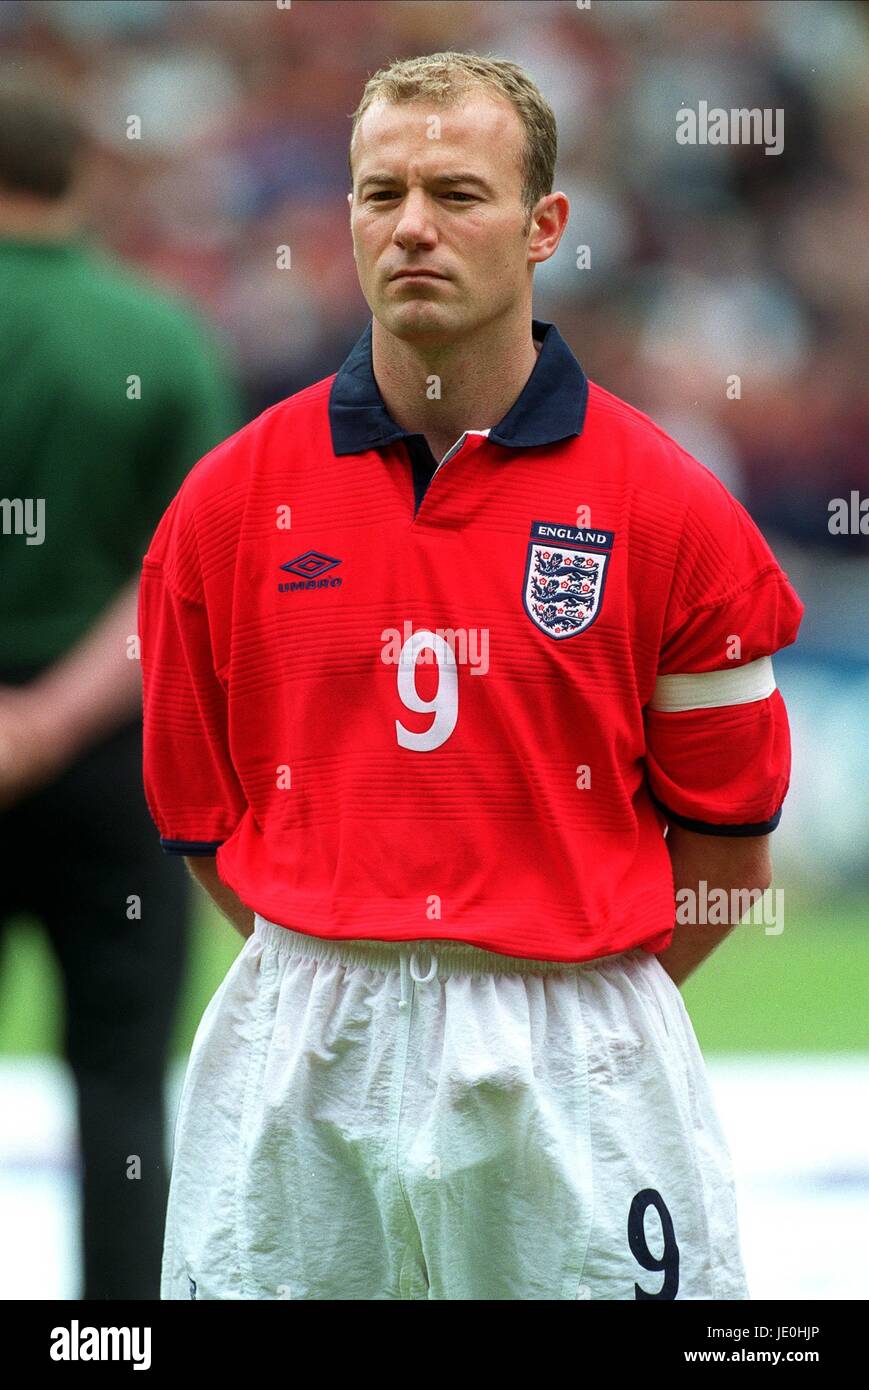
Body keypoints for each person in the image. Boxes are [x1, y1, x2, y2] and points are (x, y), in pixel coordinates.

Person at [140, 53, 804, 1301]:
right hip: (303, 1045)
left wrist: (558, 992)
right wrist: (360, 956)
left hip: (578, 1048)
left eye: (456, 193)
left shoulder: (672, 511)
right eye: (378, 193)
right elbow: (203, 821)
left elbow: (727, 857)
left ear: (544, 225)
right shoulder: (229, 504)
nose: (410, 229)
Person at [0, 79, 243, 1299]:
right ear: (76, 179)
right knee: (122, 1084)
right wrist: (50, 716)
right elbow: (188, 573)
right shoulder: (156, 335)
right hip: (114, 755)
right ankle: (118, 1343)